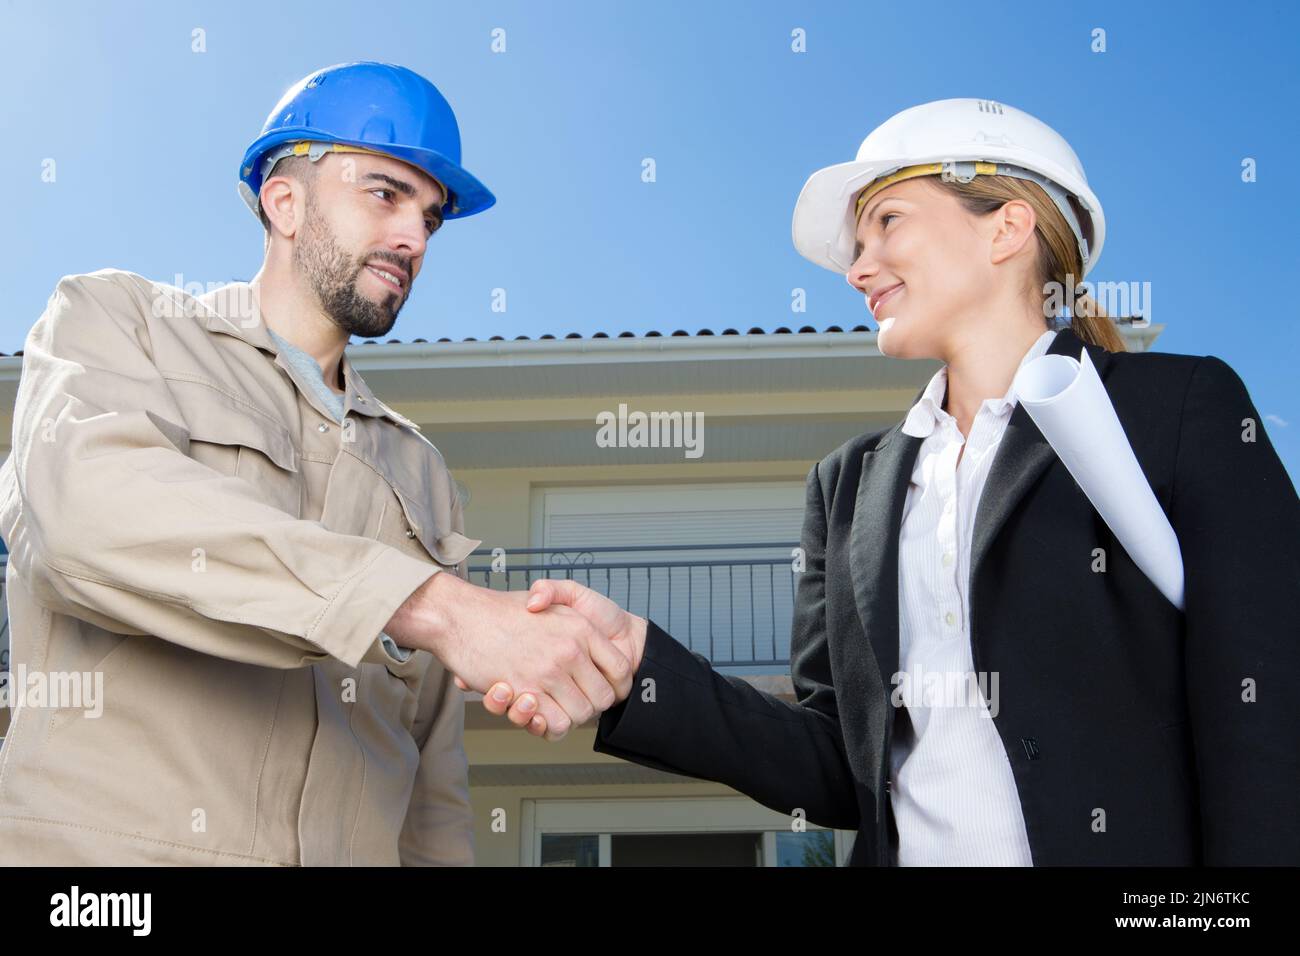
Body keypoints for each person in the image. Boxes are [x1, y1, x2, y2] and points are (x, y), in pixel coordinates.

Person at [474, 98, 1300, 865]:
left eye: (886, 225)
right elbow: (839, 758)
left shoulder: (1178, 410)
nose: (859, 267)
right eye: (857, 245)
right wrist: (641, 668)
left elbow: (1264, 700)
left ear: (1006, 227)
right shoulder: (849, 487)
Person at [0, 61, 630, 866]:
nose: (414, 237)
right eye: (384, 193)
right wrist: (433, 606)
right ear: (283, 200)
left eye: (432, 218)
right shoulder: (122, 325)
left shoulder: (418, 471)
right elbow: (82, 514)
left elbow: (431, 779)